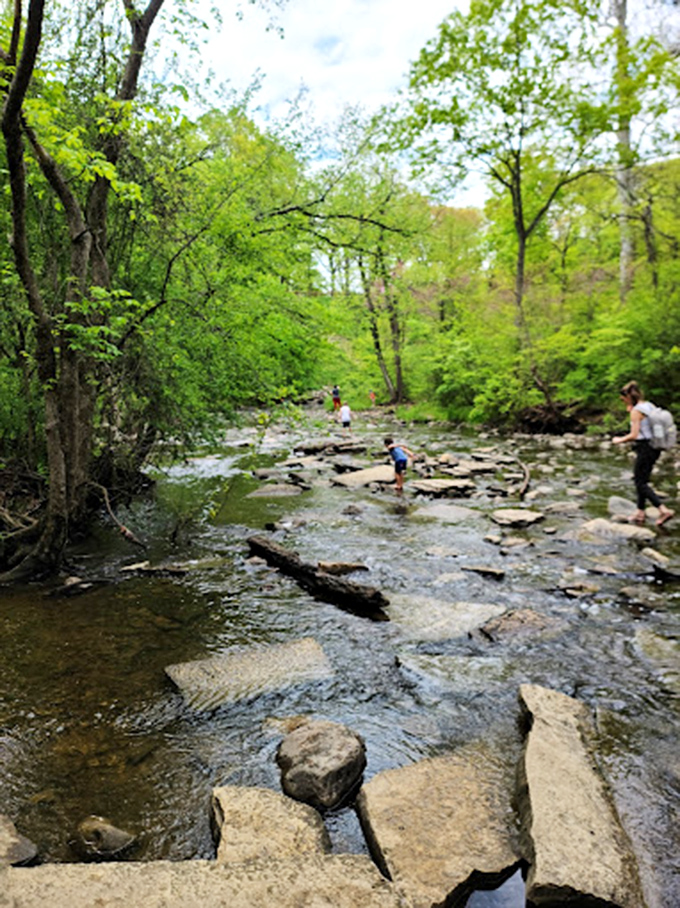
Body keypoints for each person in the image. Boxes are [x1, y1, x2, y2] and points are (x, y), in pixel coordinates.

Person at [612, 381, 674, 526]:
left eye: (623, 399)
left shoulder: (636, 411)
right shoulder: (649, 406)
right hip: (655, 447)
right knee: (642, 480)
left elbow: (634, 434)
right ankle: (640, 512)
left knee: (639, 482)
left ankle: (663, 510)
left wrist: (619, 440)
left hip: (645, 447)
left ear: (628, 396)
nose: (623, 402)